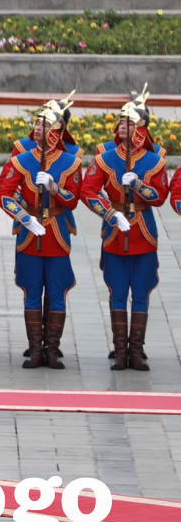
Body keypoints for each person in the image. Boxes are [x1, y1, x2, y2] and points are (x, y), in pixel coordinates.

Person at [81, 88, 168, 371]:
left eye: (129, 123)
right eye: (120, 122)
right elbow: (88, 191)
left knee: (141, 292)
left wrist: (140, 186)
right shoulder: (106, 158)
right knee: (117, 291)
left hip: (143, 232)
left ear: (141, 128)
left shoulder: (155, 160)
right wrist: (109, 213)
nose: (122, 126)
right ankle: (120, 351)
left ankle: (136, 350)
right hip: (116, 232)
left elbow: (160, 196)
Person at [0, 96, 81, 370]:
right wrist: (23, 216)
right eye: (36, 123)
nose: (37, 128)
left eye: (43, 125)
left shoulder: (70, 161)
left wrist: (55, 188)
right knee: (32, 290)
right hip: (29, 232)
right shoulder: (21, 160)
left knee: (56, 291)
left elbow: (72, 200)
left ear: (56, 131)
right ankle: (35, 349)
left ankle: (52, 349)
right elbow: (4, 194)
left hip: (56, 232)